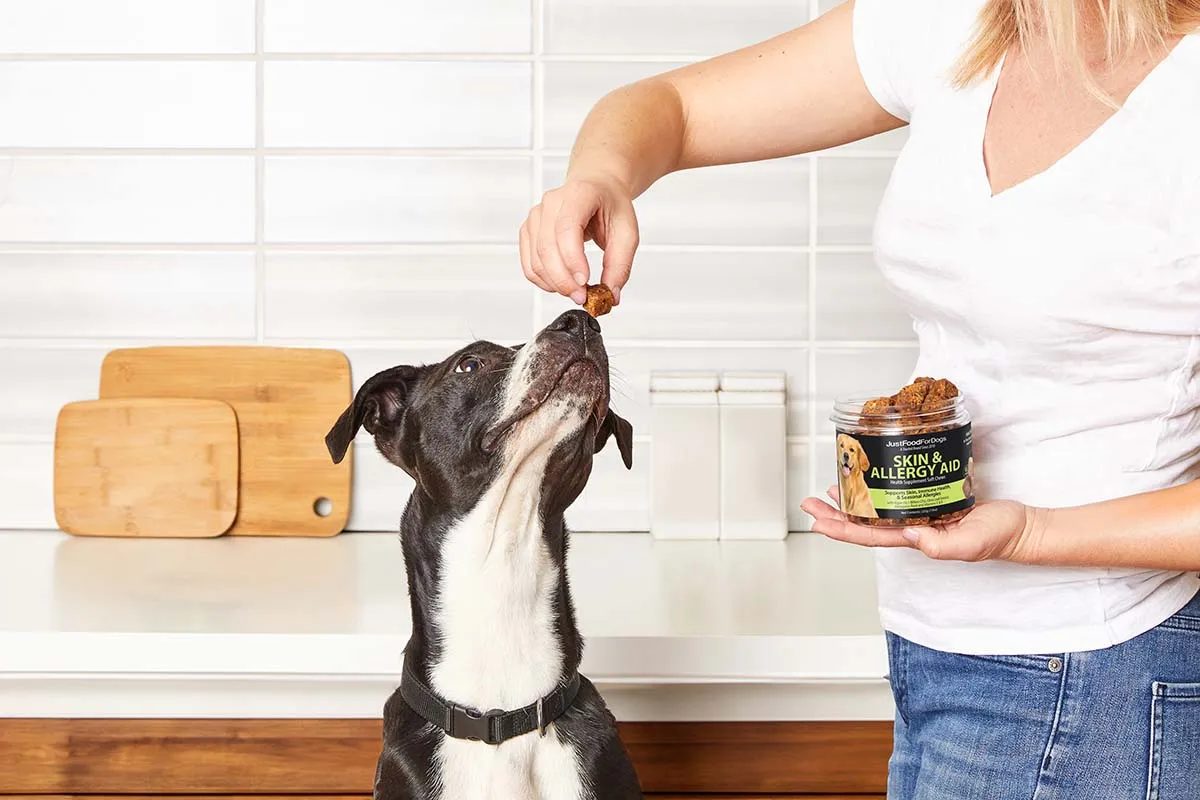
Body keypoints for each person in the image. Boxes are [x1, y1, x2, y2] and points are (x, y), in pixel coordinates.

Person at [517, 0, 1200, 797]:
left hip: (1099, 670)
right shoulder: (956, 23)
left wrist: (1031, 532)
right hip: (931, 646)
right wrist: (601, 179)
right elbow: (667, 109)